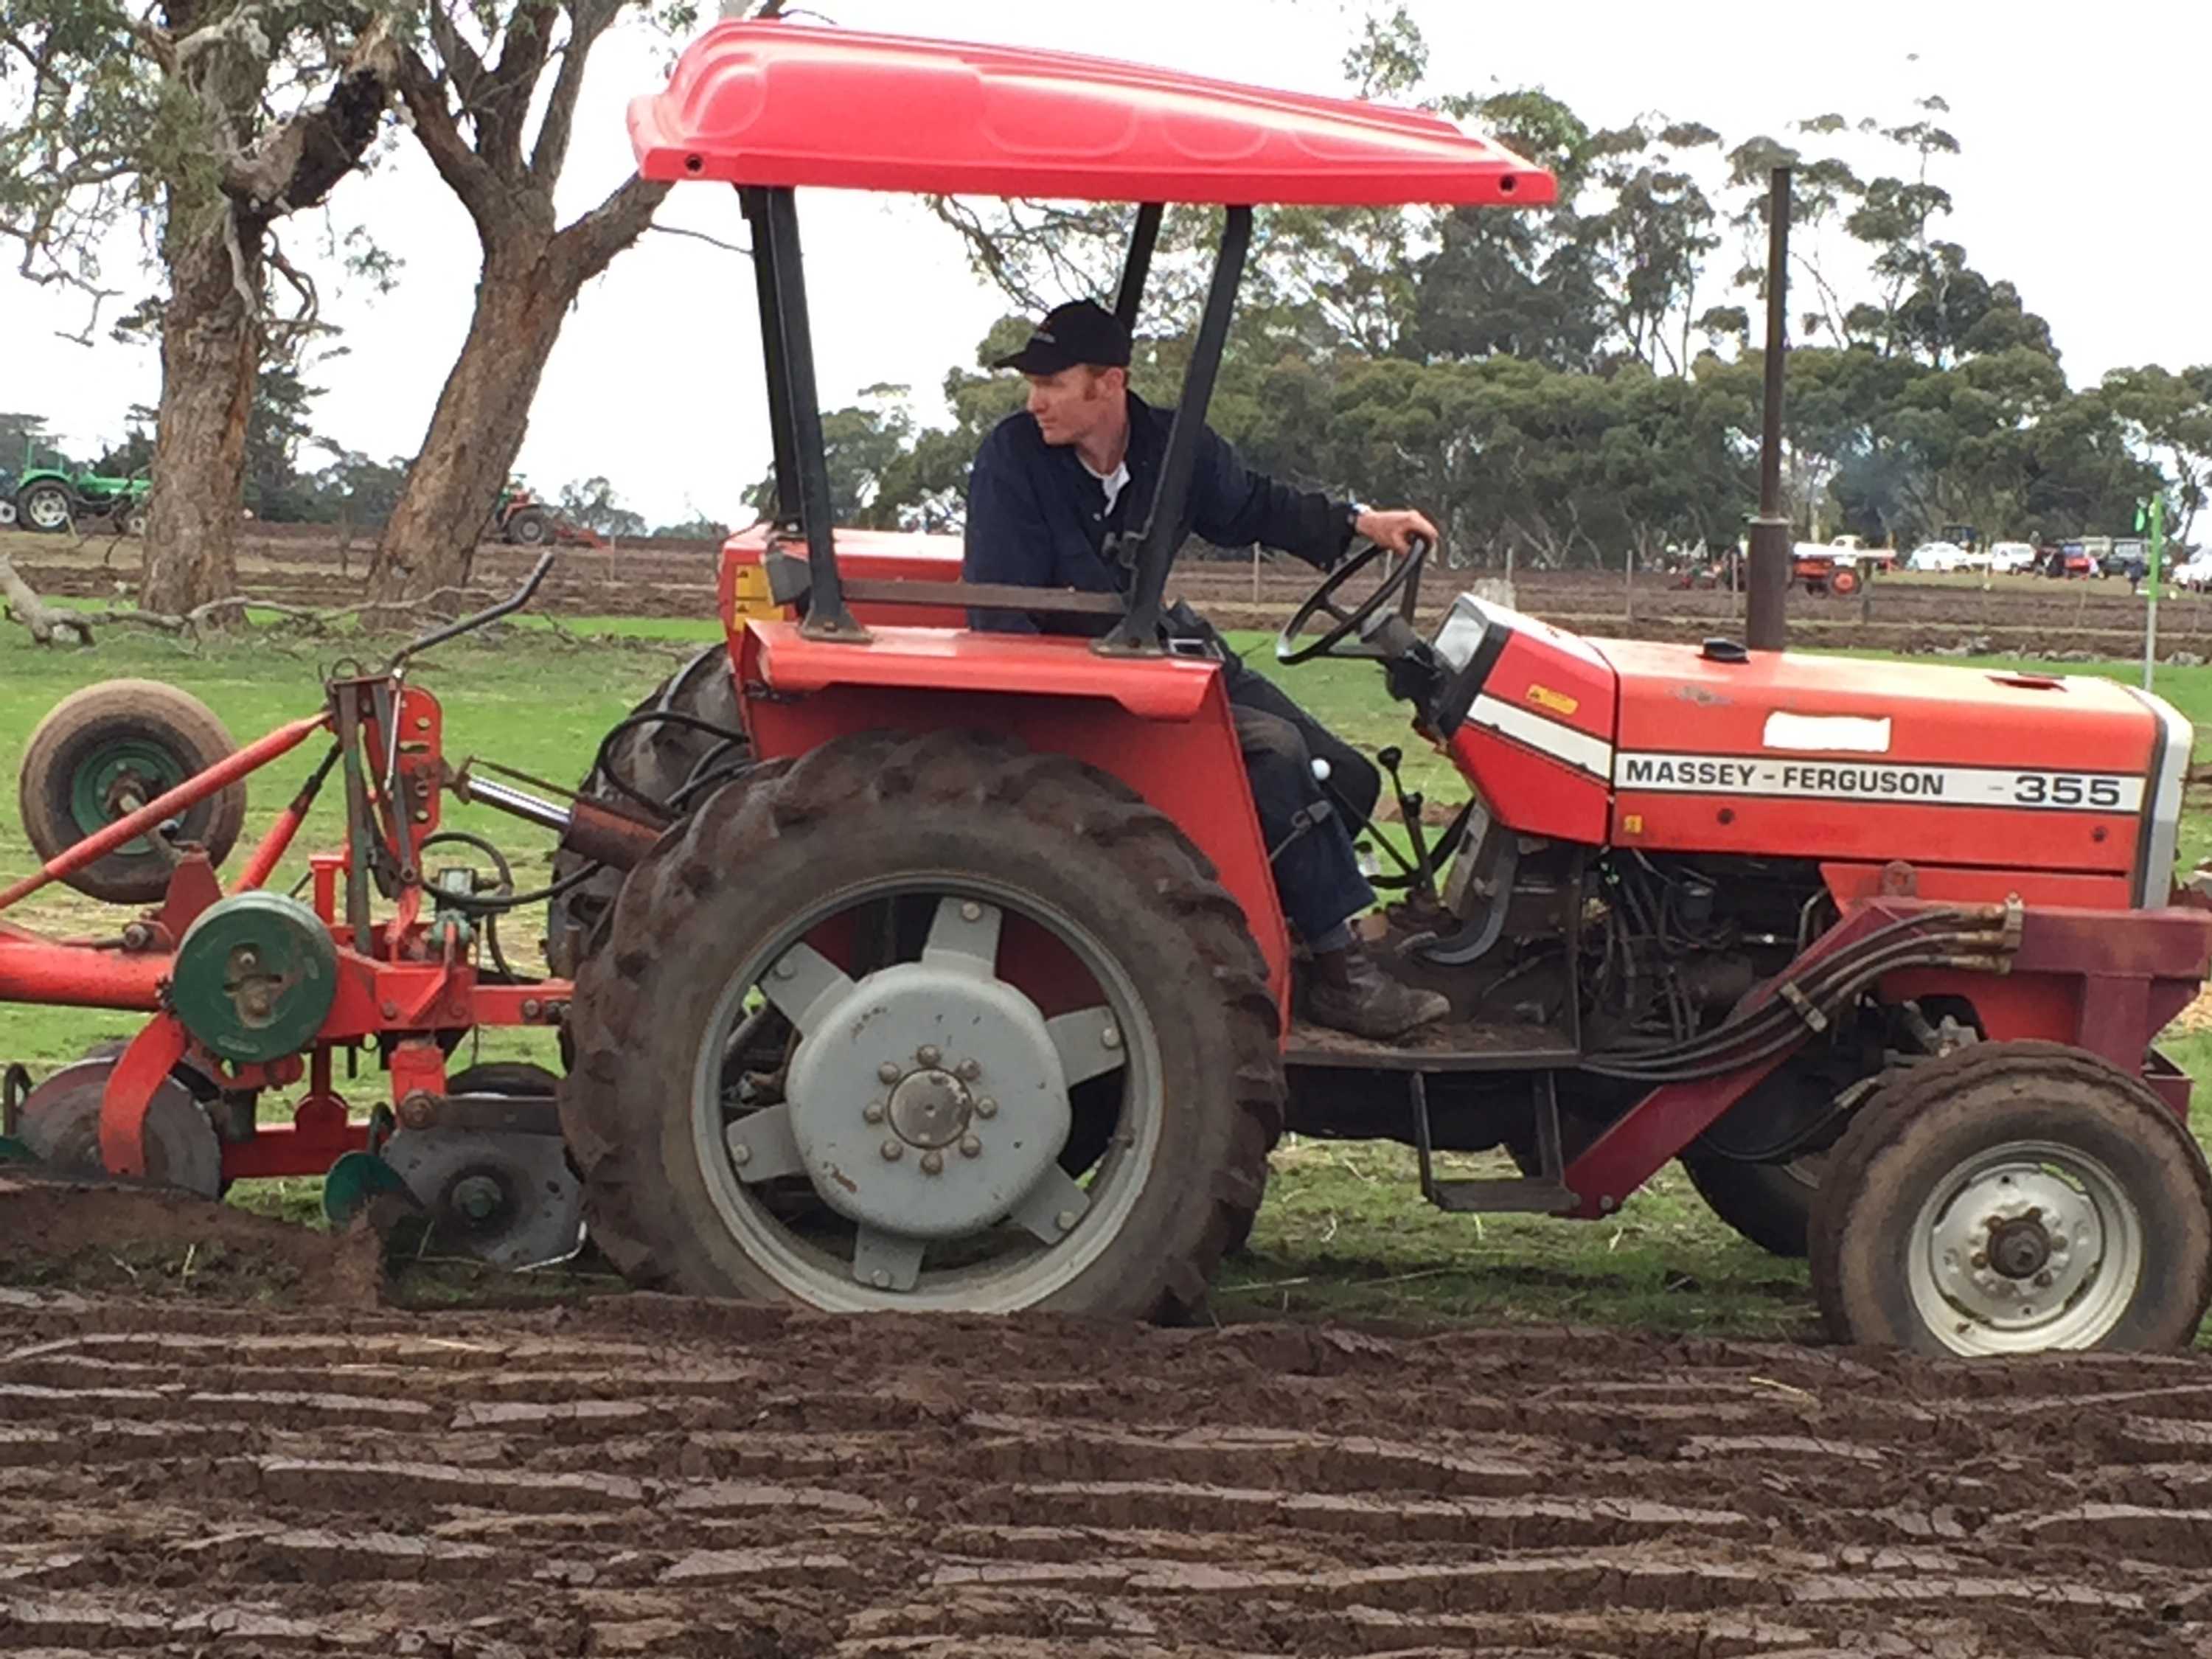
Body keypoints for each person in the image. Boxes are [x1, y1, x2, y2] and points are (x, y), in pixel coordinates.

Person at [962, 299, 1450, 1040]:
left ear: (1109, 383)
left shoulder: (1171, 447)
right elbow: (1003, 616)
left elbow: (1254, 504)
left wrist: (1361, 522)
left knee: (1347, 777)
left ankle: (1290, 924)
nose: (1035, 401)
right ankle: (1341, 972)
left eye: (1052, 383)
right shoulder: (1013, 460)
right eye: (1032, 383)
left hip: (1164, 648)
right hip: (1085, 684)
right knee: (1277, 760)